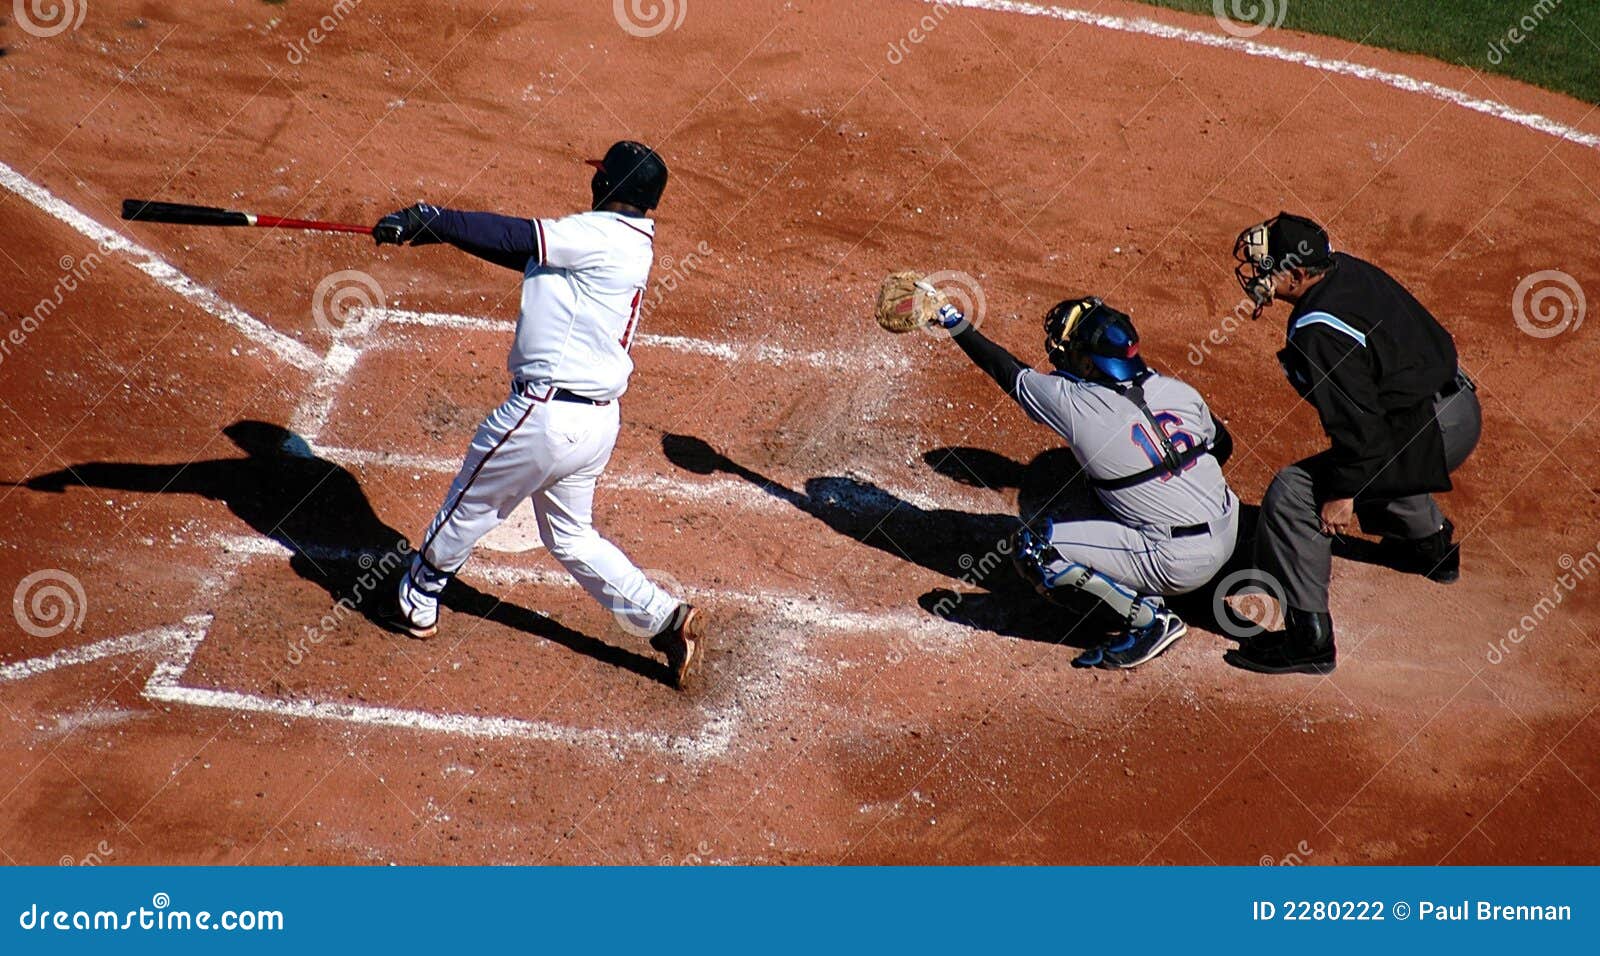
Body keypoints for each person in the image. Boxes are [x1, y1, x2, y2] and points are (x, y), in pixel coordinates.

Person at [372, 140, 706, 689]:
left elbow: (517, 235)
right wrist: (439, 233)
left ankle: (417, 597)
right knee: (572, 537)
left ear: (610, 187)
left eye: (601, 175)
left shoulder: (596, 234)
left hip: (545, 418)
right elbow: (525, 253)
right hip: (594, 424)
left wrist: (435, 215)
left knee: (472, 500)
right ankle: (666, 620)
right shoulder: (628, 243)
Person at [1225, 212, 1481, 675]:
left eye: (1269, 269)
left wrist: (1341, 496)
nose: (1259, 276)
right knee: (1381, 456)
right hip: (1454, 408)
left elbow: (1360, 432)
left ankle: (1310, 642)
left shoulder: (1316, 329)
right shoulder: (1342, 268)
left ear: (1299, 275)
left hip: (1431, 430)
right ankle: (1430, 551)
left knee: (1293, 495)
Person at [935, 296, 1239, 668]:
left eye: (1072, 349)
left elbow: (1007, 371)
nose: (1063, 353)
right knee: (1107, 486)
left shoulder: (1073, 403)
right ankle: (1173, 575)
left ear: (1088, 360)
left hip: (1175, 561)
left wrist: (954, 322)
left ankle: (1148, 622)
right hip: (1228, 533)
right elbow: (1222, 446)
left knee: (1035, 549)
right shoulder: (1178, 391)